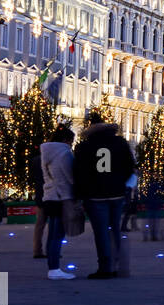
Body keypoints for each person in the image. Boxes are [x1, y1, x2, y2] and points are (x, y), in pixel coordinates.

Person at [73, 111, 135, 279]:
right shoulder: (120, 143)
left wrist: (80, 193)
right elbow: (130, 167)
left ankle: (104, 267)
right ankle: (117, 265)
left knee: (100, 232)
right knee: (114, 229)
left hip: (95, 195)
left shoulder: (84, 146)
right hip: (116, 194)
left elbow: (79, 172)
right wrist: (121, 183)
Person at [40, 126, 77, 280]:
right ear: (65, 140)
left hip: (49, 196)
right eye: (71, 141)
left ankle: (52, 265)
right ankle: (54, 268)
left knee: (52, 234)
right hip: (61, 197)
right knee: (57, 235)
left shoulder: (47, 151)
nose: (71, 144)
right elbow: (68, 176)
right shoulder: (64, 153)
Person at [31, 146, 46, 258]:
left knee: (39, 225)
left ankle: (37, 250)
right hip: (51, 195)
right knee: (55, 224)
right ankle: (52, 249)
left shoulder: (35, 160)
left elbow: (32, 177)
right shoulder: (52, 159)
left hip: (40, 194)